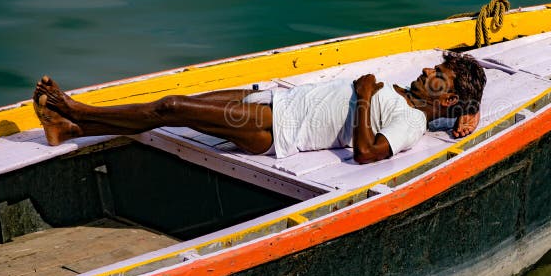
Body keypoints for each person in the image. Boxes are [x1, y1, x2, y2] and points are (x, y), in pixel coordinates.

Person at [33, 52, 486, 164]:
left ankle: (77, 111)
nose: (428, 68)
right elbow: (467, 104)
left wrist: (365, 95)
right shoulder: (410, 96)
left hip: (276, 129)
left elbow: (367, 153)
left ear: (446, 98)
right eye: (436, 65)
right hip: (273, 101)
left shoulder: (410, 121)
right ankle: (69, 131)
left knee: (171, 107)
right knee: (175, 112)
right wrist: (471, 112)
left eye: (439, 74)